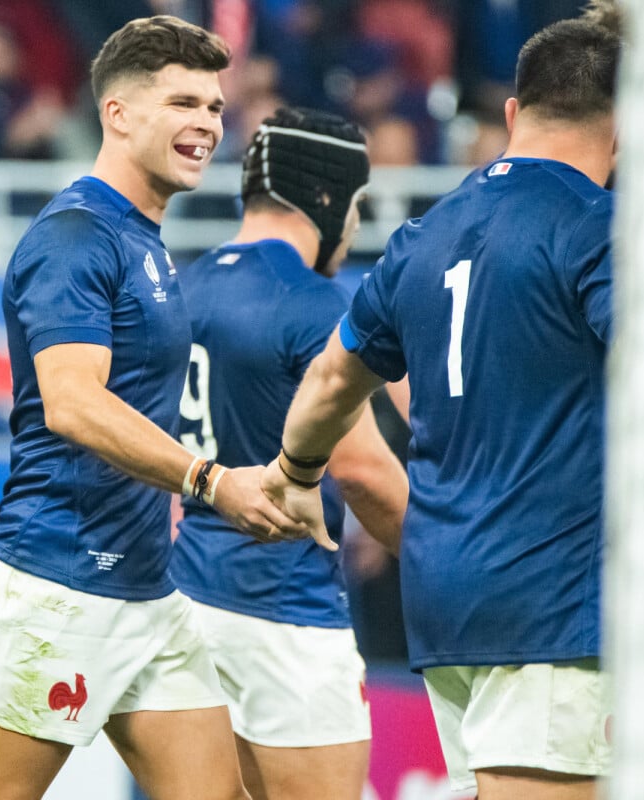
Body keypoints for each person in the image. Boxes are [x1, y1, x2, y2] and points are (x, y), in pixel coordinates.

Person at [0, 17, 327, 800]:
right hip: (56, 582)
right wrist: (209, 481)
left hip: (146, 588)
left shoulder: (144, 241)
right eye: (184, 102)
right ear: (117, 114)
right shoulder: (78, 237)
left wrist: (164, 494)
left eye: (216, 108)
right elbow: (74, 405)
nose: (207, 125)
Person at [261, 10, 622, 800]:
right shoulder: (599, 231)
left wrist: (293, 471)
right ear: (626, 129)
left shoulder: (422, 238)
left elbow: (327, 382)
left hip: (447, 603)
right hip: (553, 603)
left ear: (514, 114)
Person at [170, 107, 409, 800]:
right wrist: (449, 565)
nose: (358, 225)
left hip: (188, 603)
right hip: (284, 616)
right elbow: (362, 471)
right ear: (328, 200)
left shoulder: (185, 285)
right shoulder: (311, 303)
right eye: (359, 205)